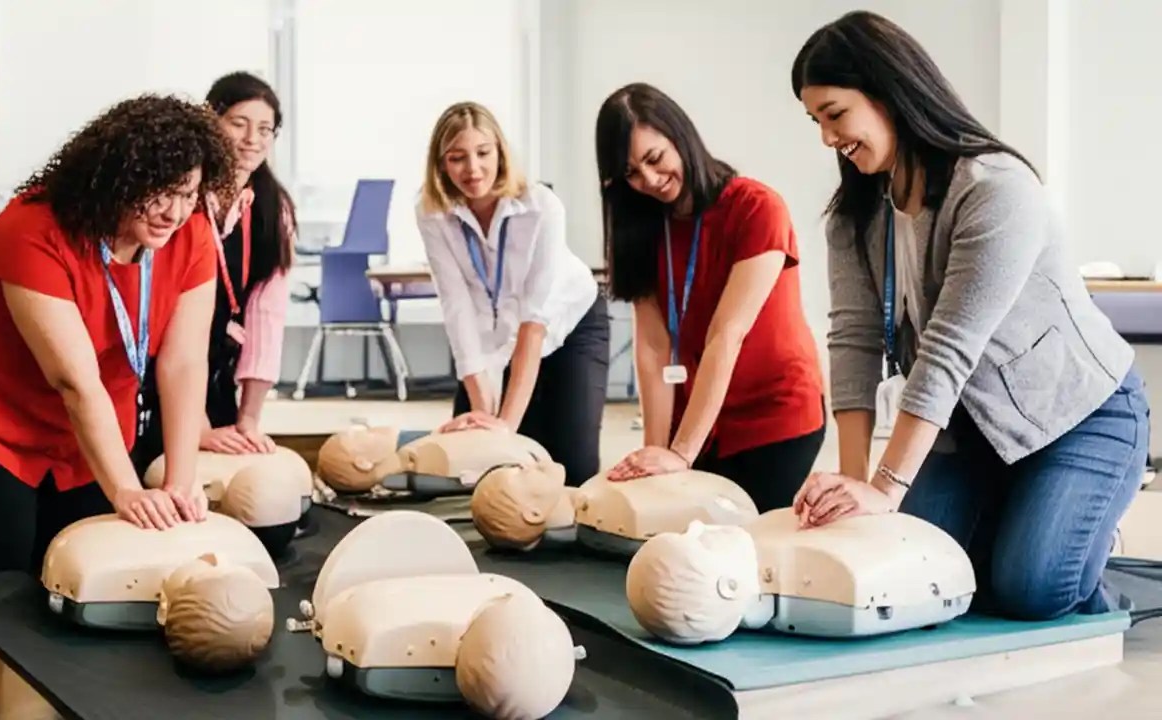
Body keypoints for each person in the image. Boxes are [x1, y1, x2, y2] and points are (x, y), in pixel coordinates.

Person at [790, 11, 1150, 620]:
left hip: (1078, 418)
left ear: (888, 93)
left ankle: (1080, 541)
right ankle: (1029, 520)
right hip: (972, 432)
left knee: (1028, 588)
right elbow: (852, 340)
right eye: (816, 122)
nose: (828, 138)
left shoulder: (995, 188)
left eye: (835, 114)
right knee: (918, 570)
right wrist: (854, 491)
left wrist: (886, 488)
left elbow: (947, 350)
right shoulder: (855, 214)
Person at [0, 94, 233, 615]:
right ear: (117, 180)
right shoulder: (33, 227)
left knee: (88, 577)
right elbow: (75, 381)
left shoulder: (190, 235)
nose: (174, 212)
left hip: (87, 436)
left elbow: (184, 362)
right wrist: (126, 491)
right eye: (160, 193)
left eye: (188, 194)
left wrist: (179, 481)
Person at [594, 83, 826, 513]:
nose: (649, 180)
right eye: (631, 173)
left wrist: (681, 453)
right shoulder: (642, 227)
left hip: (772, 414)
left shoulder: (758, 208)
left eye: (654, 158)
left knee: (740, 536)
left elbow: (727, 334)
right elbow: (653, 348)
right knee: (674, 527)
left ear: (679, 136)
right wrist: (657, 453)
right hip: (698, 418)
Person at [415, 101, 610, 486]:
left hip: (568, 326)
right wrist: (486, 417)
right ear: (441, 164)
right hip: (495, 338)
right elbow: (456, 308)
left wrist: (504, 429)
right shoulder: (432, 212)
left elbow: (533, 325)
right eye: (457, 158)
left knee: (570, 466)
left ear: (500, 153)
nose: (472, 169)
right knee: (469, 462)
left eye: (483, 153)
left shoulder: (541, 207)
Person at [133, 72, 295, 473]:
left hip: (217, 375)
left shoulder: (274, 210)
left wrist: (249, 419)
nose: (252, 139)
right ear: (211, 122)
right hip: (158, 377)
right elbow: (159, 315)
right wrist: (197, 428)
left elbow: (267, 319)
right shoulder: (182, 200)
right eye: (239, 124)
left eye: (265, 129)